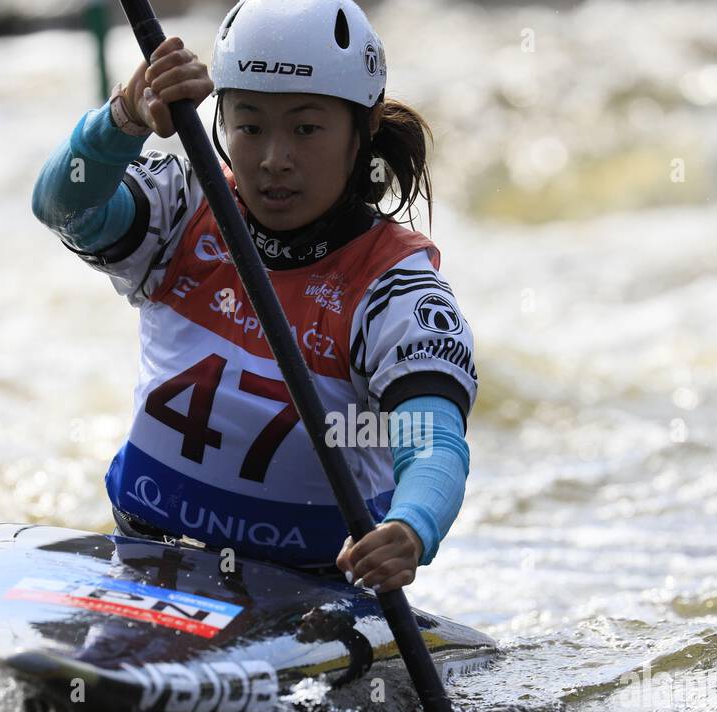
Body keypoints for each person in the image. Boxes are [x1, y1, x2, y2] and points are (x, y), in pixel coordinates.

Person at [31, 0, 477, 594]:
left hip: (304, 592)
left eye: (306, 128)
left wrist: (411, 526)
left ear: (362, 131)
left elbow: (431, 440)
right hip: (144, 559)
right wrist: (122, 120)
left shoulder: (394, 288)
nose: (274, 160)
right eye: (250, 125)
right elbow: (64, 206)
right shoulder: (182, 210)